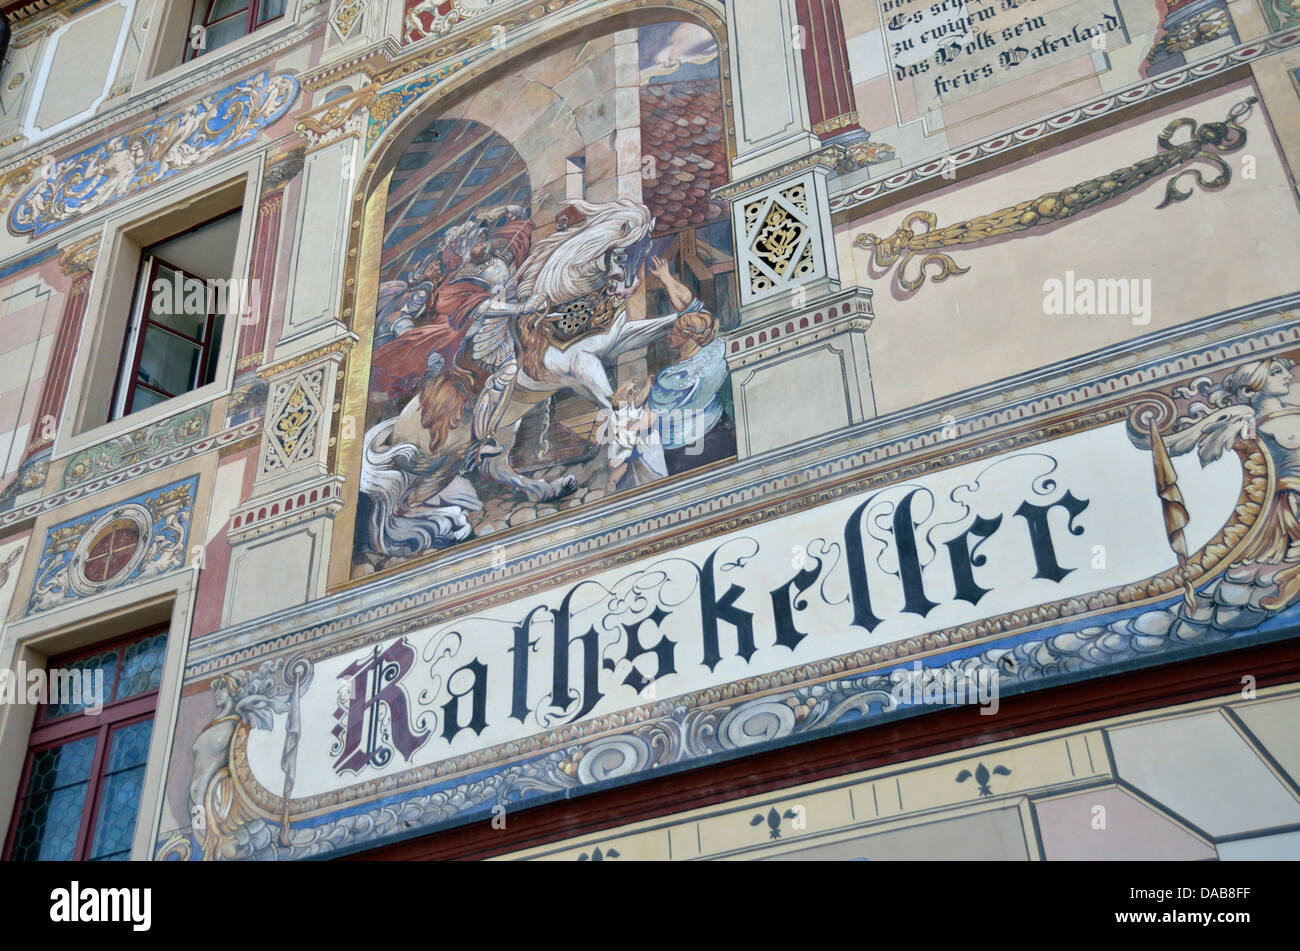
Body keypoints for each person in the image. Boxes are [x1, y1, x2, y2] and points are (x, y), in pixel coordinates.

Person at [643, 257, 734, 473]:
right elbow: (688, 303)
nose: (669, 337)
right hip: (719, 427)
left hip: (685, 448)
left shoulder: (672, 378)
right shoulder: (713, 345)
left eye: (674, 333)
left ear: (687, 338)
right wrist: (666, 278)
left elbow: (648, 419)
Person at [596, 376, 668, 492]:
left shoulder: (631, 408)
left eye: (635, 388)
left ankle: (612, 481)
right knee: (627, 462)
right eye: (629, 394)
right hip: (625, 447)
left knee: (630, 462)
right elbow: (640, 399)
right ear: (622, 402)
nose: (635, 393)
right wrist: (648, 384)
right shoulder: (626, 410)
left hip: (632, 443)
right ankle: (612, 481)